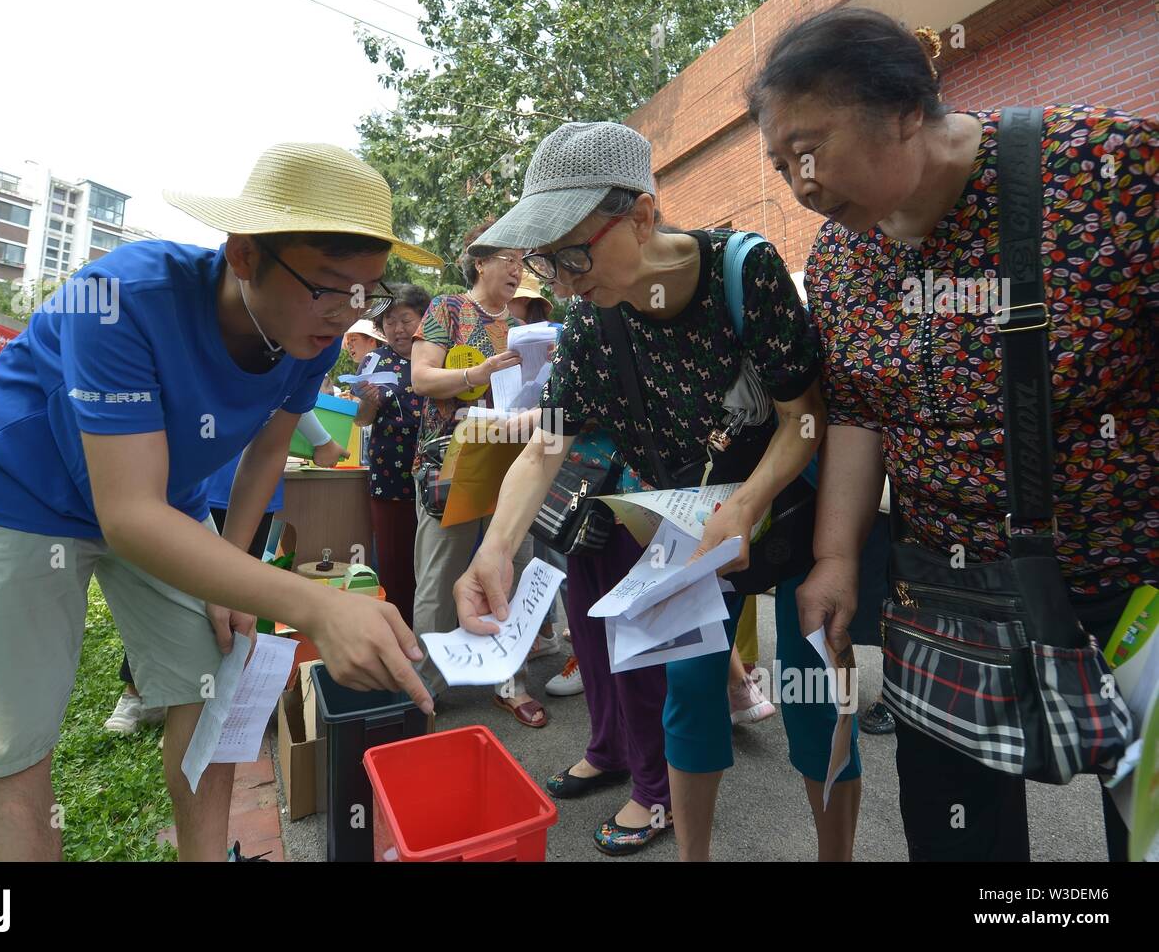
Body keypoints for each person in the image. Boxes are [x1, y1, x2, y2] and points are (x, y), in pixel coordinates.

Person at [0, 142, 438, 860]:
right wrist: (315, 603)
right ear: (244, 254)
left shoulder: (309, 336)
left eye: (365, 291)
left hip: (168, 499)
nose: (347, 313)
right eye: (327, 286)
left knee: (213, 678)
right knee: (6, 749)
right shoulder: (125, 296)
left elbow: (267, 452)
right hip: (15, 497)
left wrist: (233, 569)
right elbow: (127, 516)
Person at [753, 8, 1157, 861]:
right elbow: (858, 410)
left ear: (906, 109)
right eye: (782, 163)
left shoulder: (1111, 172)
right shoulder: (839, 260)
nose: (803, 182)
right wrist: (833, 559)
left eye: (811, 146)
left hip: (1131, 585)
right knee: (959, 838)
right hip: (946, 593)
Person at [453, 121, 861, 861]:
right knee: (690, 700)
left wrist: (749, 499)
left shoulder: (745, 272)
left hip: (790, 518)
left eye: (576, 252)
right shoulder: (588, 322)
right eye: (550, 261)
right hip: (685, 531)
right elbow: (548, 441)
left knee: (816, 699)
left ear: (642, 215)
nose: (567, 280)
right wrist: (495, 549)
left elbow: (806, 419)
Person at [104, 419, 346, 734]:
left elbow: (291, 405)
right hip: (203, 487)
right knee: (175, 589)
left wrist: (321, 440)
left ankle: (216, 699)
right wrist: (323, 440)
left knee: (235, 601)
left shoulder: (287, 383)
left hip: (254, 493)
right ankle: (137, 692)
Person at [409, 221, 547, 728]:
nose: (517, 268)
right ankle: (426, 686)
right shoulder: (448, 307)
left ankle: (510, 680)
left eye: (522, 259)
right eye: (507, 257)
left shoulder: (520, 327)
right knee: (440, 576)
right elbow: (421, 378)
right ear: (479, 261)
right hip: (451, 464)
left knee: (512, 568)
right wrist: (477, 374)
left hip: (512, 466)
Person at [353, 284, 429, 628]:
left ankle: (434, 636)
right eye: (389, 322)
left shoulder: (439, 356)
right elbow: (361, 420)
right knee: (395, 561)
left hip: (436, 475)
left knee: (433, 562)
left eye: (405, 319)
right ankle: (399, 635)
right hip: (390, 475)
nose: (398, 329)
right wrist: (369, 400)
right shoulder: (375, 360)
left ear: (423, 318)